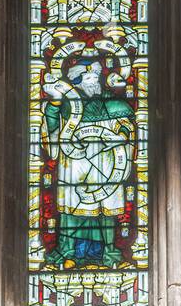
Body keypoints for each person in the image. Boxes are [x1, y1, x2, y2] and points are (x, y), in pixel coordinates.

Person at [42, 54, 134, 268]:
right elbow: (53, 127)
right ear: (78, 82)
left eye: (97, 78)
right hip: (75, 165)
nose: (96, 83)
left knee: (105, 208)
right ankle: (70, 252)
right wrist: (55, 101)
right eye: (91, 79)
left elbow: (126, 126)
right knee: (73, 208)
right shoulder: (68, 106)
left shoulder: (113, 102)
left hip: (108, 162)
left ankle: (108, 253)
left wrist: (121, 137)